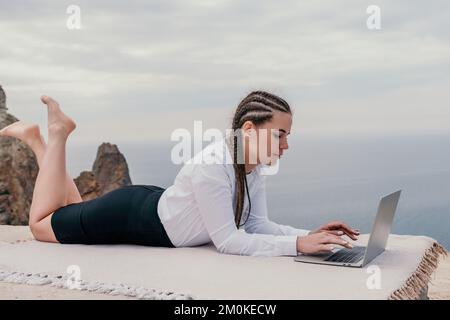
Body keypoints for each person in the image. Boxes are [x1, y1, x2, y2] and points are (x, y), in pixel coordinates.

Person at [0, 90, 359, 257]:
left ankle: (39, 141)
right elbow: (230, 242)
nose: (285, 146)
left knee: (68, 211)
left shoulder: (250, 168)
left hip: (151, 204)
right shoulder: (212, 166)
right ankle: (54, 135)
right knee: (42, 224)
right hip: (129, 216)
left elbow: (257, 225)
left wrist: (308, 235)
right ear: (249, 130)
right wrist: (297, 245)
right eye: (280, 134)